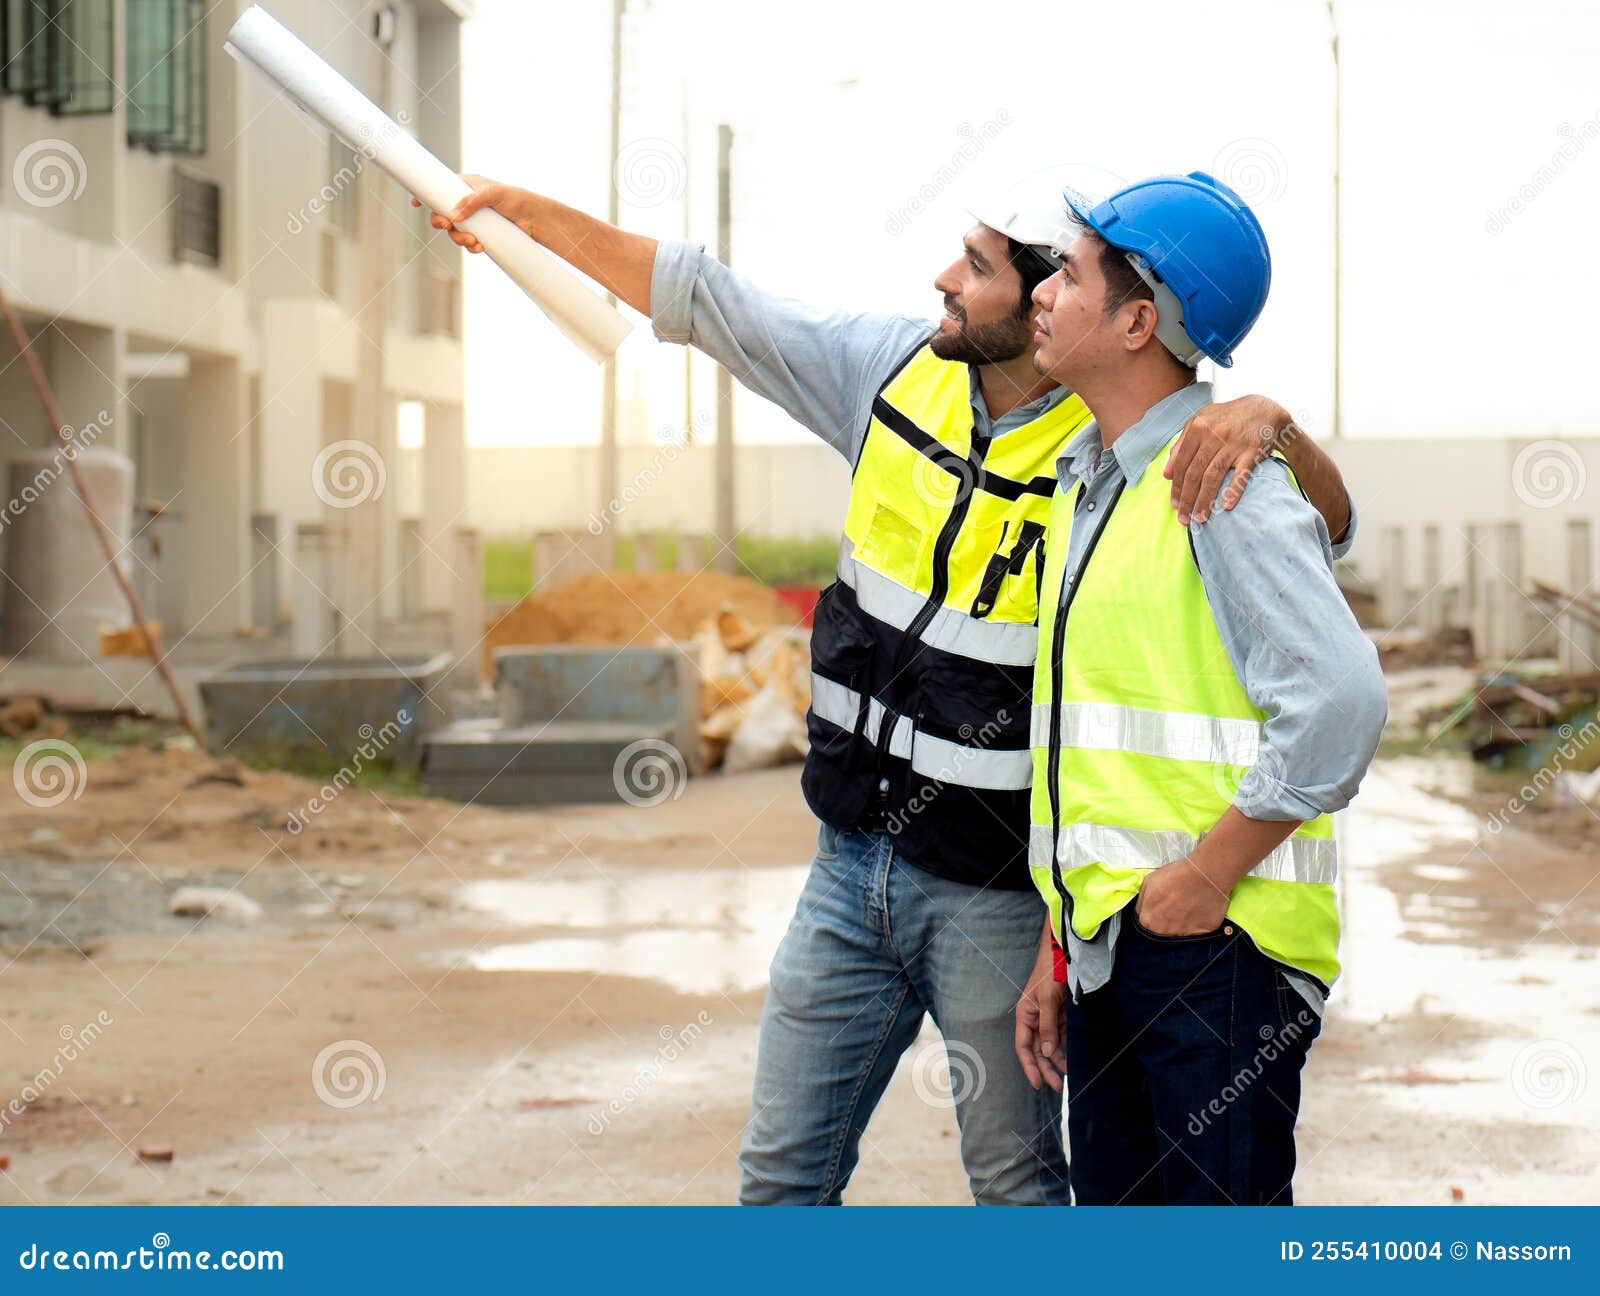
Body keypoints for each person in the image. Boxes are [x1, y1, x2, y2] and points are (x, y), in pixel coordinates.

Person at [419, 172, 1356, 1205]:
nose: (945, 280)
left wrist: (1267, 421)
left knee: (1020, 1187)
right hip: (860, 866)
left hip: (1004, 895)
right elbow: (708, 296)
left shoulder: (1116, 453)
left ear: (1064, 300)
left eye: (987, 268)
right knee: (781, 1178)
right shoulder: (905, 381)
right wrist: (523, 217)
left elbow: (1317, 544)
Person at [1016, 171, 1387, 1205]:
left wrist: (1206, 877)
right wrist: (1065, 944)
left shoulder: (1218, 477)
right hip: (1123, 950)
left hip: (1215, 957)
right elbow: (1100, 764)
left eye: (1070, 275)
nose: (1041, 292)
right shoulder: (1099, 484)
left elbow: (1342, 703)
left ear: (1138, 320)